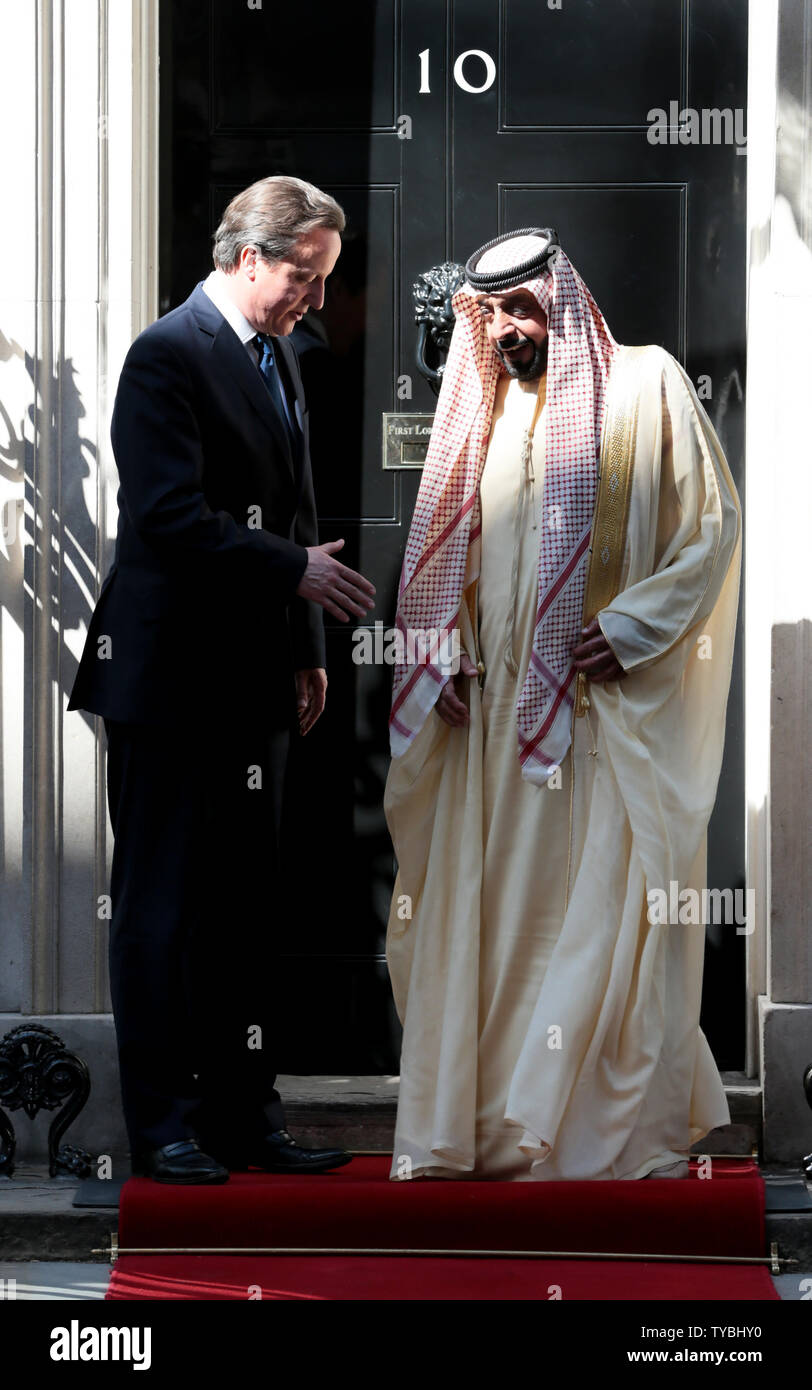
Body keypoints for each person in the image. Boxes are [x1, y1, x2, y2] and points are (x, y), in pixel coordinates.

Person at [384, 228, 741, 1182]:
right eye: (491, 313)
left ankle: (585, 1137)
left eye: (523, 308)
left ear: (563, 301)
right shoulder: (485, 407)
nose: (507, 329)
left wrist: (632, 628)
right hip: (493, 725)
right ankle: (493, 1125)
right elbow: (447, 554)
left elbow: (710, 529)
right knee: (498, 923)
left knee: (592, 924)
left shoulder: (647, 385)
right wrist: (440, 648)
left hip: (598, 714)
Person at [68, 175, 376, 1183]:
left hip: (256, 679)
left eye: (323, 280)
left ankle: (245, 1116)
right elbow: (167, 515)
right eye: (304, 276)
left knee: (245, 911)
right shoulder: (167, 353)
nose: (315, 299)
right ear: (248, 257)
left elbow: (296, 510)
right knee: (161, 908)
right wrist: (295, 576)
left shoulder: (279, 354)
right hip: (167, 680)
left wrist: (305, 647)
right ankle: (163, 1128)